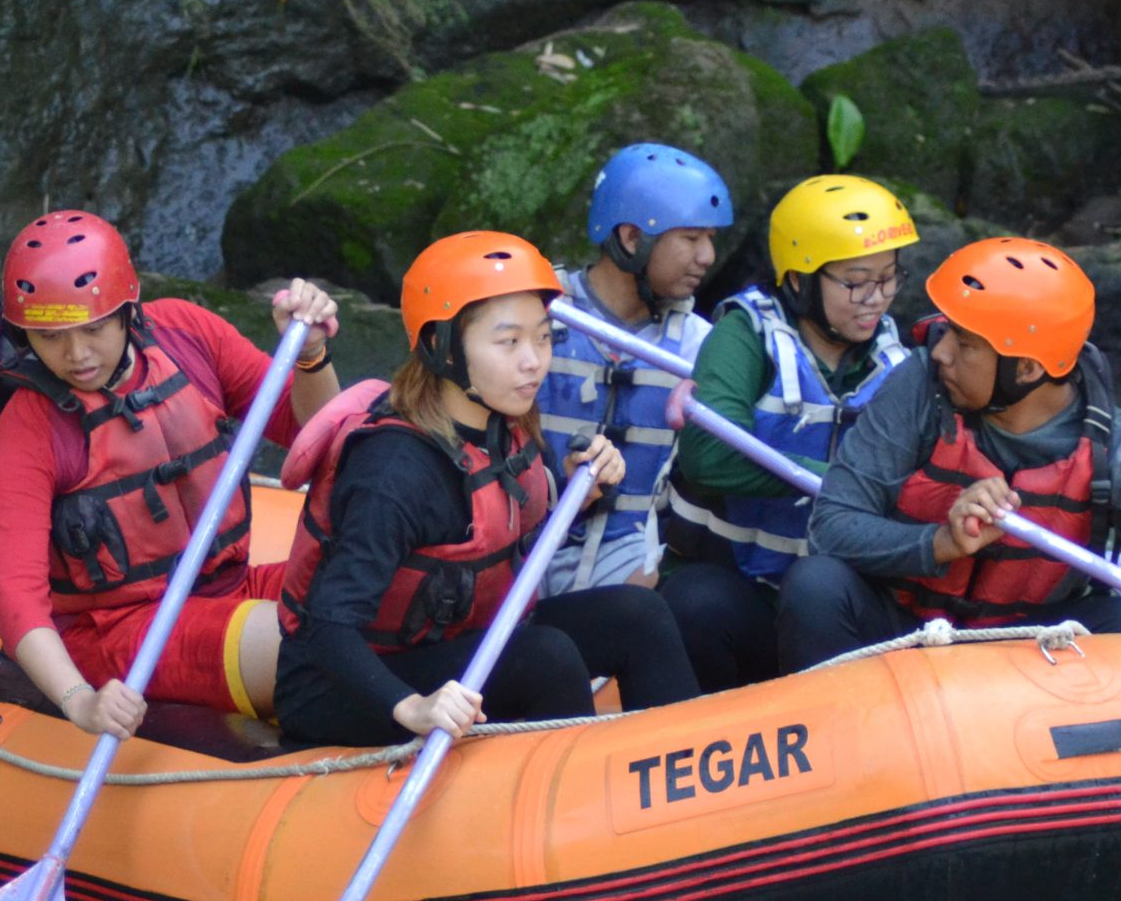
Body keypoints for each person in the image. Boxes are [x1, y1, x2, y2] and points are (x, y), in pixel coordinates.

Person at [785, 236, 1121, 701]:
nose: (941, 352)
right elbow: (832, 524)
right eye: (949, 332)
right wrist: (942, 544)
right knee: (817, 585)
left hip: (1027, 654)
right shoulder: (919, 389)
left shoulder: (1120, 452)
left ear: (1025, 368)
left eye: (966, 343)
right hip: (903, 634)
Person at [273, 232, 702, 748]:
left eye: (543, 337)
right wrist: (414, 706)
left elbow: (490, 533)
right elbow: (328, 629)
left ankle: (680, 767)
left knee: (640, 615)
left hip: (455, 638)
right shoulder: (394, 472)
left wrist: (576, 490)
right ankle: (578, 802)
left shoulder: (505, 418)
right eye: (509, 342)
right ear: (441, 345)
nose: (534, 361)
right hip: (344, 685)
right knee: (545, 658)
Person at [0, 213, 341, 738]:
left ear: (126, 311)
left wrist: (310, 355)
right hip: (118, 630)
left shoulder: (188, 336)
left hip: (230, 586)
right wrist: (80, 703)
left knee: (384, 584)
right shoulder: (27, 430)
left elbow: (312, 431)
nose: (76, 355)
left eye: (93, 329)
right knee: (300, 640)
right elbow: (16, 602)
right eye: (50, 338)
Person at [659, 175, 918, 690]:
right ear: (798, 281)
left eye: (889, 278)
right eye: (856, 281)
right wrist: (843, 483)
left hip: (827, 601)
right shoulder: (746, 333)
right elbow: (708, 454)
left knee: (817, 586)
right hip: (736, 587)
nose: (877, 298)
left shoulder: (900, 362)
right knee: (694, 601)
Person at [537, 143, 733, 597]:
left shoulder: (701, 346)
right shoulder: (543, 311)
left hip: (630, 559)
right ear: (631, 237)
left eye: (711, 239)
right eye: (690, 237)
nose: (707, 256)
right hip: (523, 546)